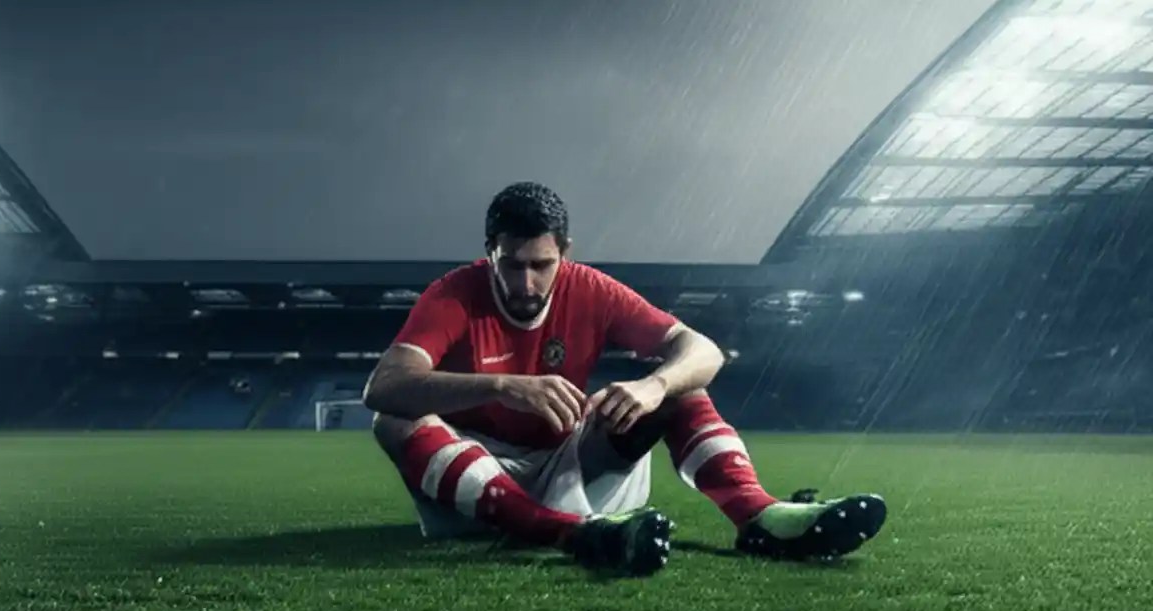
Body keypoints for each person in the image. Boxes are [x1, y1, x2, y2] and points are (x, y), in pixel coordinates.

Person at [362, 182, 886, 576]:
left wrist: (654, 386)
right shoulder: (453, 293)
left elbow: (701, 350)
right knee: (392, 422)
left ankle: (758, 517)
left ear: (565, 251)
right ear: (489, 251)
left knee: (682, 386)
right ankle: (571, 535)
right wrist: (501, 386)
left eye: (541, 264)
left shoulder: (592, 289)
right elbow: (382, 388)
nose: (526, 282)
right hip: (473, 485)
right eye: (511, 264)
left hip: (569, 461)